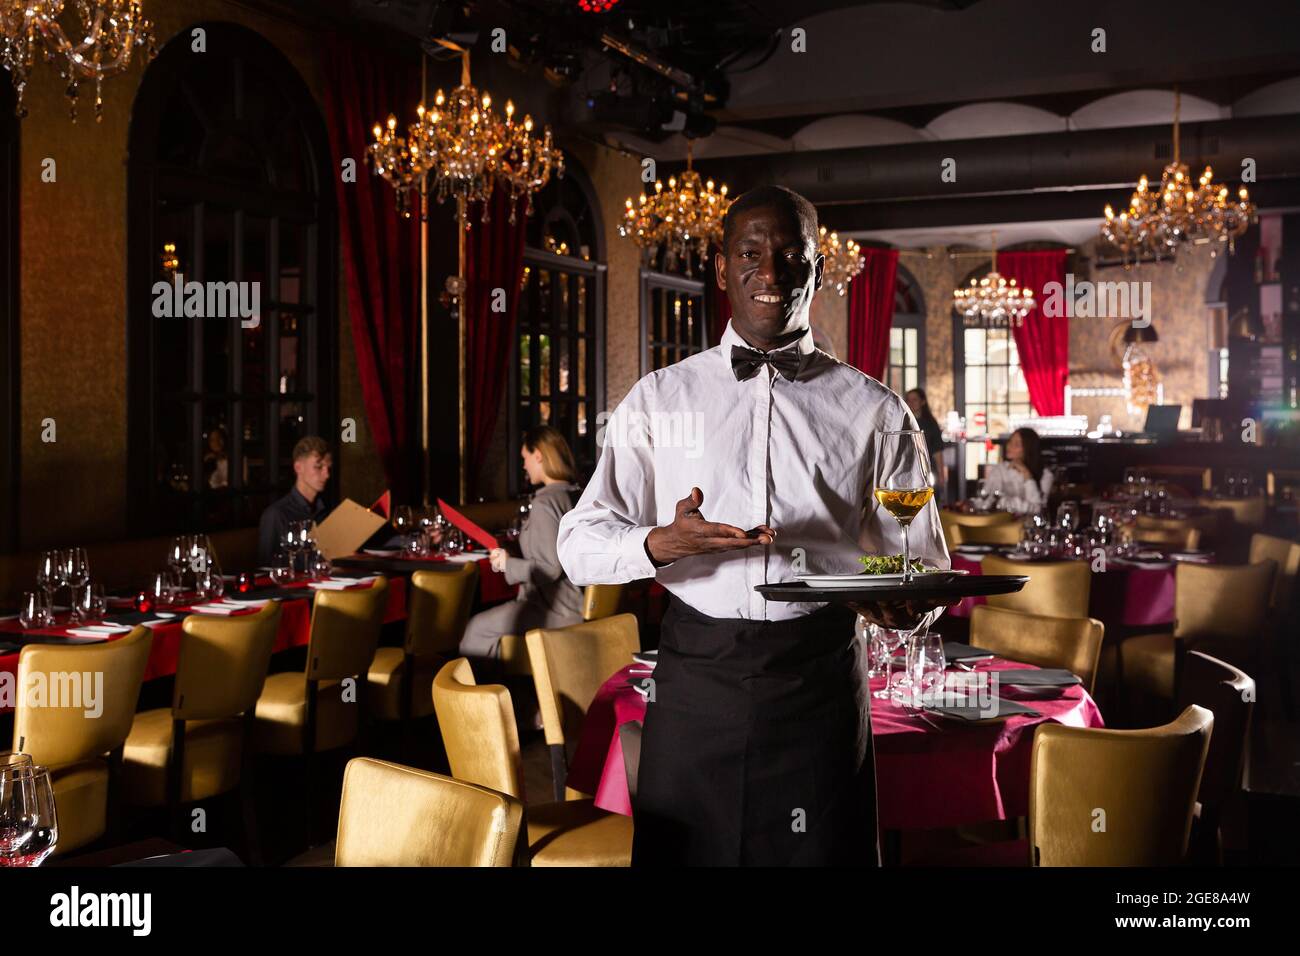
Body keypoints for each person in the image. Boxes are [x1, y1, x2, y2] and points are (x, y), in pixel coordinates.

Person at [557, 186, 949, 867]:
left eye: (792, 255)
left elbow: (915, 559)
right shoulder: (659, 399)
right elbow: (578, 542)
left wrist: (903, 604)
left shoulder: (878, 412)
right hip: (696, 683)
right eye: (751, 253)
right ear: (720, 268)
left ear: (818, 270)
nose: (771, 274)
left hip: (822, 688)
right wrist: (656, 544)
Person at [459, 426, 584, 669]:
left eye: (525, 458)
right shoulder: (576, 495)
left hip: (556, 609)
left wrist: (506, 563)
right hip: (579, 603)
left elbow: (549, 569)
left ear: (538, 455)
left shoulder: (545, 502)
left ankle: (489, 704)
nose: (524, 466)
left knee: (475, 630)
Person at [258, 436, 332, 566]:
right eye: (318, 466)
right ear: (298, 467)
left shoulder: (327, 511)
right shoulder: (276, 514)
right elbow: (265, 568)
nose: (327, 475)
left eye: (328, 468)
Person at [980, 426, 1053, 515]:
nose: (1009, 446)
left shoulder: (1046, 475)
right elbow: (990, 500)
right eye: (1010, 441)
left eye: (1017, 444)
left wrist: (1027, 475)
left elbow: (1039, 509)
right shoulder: (1000, 469)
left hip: (1030, 525)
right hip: (1002, 524)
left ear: (1028, 449)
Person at [905, 388, 947, 501]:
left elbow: (938, 452)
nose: (911, 403)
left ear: (922, 402)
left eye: (915, 400)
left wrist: (942, 476)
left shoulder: (931, 424)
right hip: (906, 470)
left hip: (927, 470)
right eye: (908, 400)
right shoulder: (902, 422)